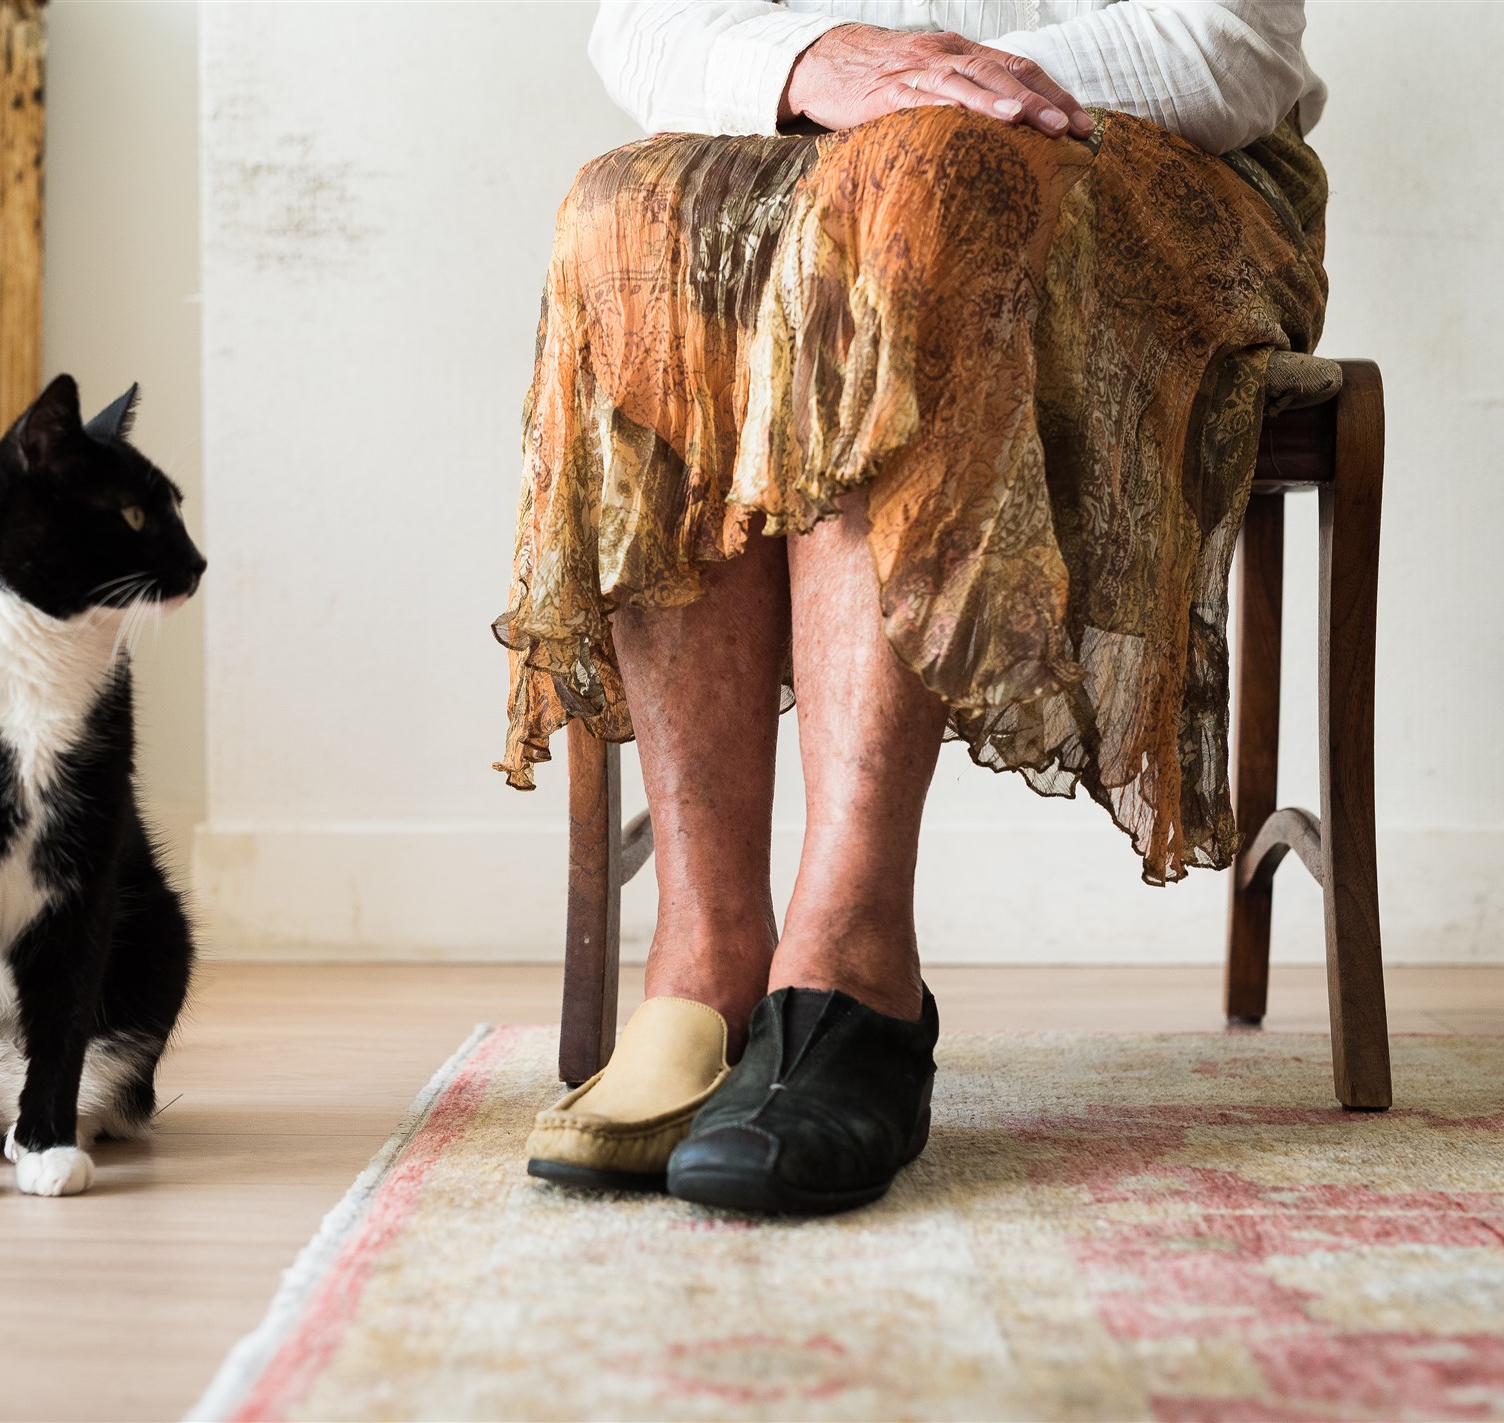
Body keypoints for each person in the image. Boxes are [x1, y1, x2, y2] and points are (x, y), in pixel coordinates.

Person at [498, 0, 1330, 1214]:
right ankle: (704, 965)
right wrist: (805, 63)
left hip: (1160, 178)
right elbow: (642, 25)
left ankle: (850, 964)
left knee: (910, 187)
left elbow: (1233, 47)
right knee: (630, 207)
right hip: (821, 170)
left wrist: (943, 86)